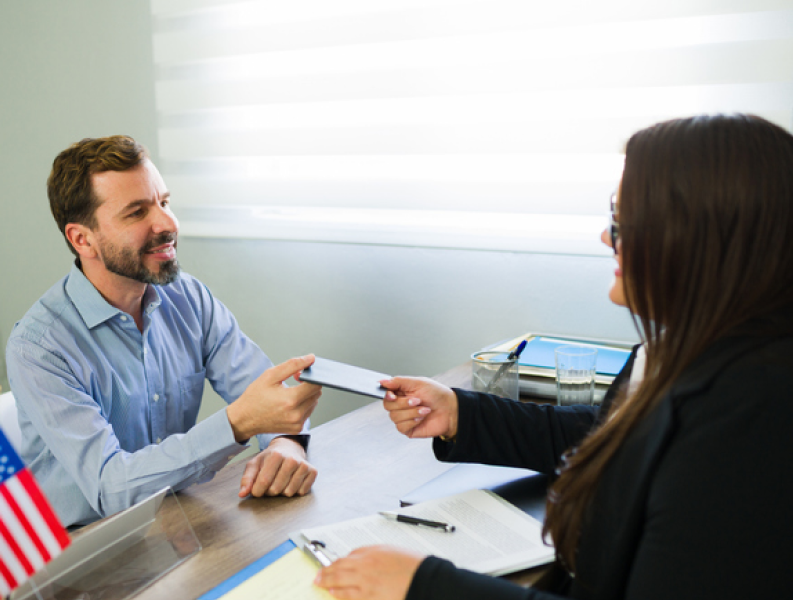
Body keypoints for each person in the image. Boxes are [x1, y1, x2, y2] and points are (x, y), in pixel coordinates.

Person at [315, 114, 793, 599]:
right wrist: (461, 413)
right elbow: (607, 437)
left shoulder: (754, 414)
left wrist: (425, 586)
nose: (608, 238)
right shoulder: (690, 347)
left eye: (624, 222)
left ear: (701, 237)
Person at [7, 135, 322, 528]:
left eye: (164, 203)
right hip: (84, 547)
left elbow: (265, 395)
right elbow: (112, 487)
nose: (168, 223)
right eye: (137, 212)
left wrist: (286, 444)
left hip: (175, 519)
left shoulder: (188, 297)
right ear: (82, 239)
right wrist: (238, 423)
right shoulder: (38, 348)